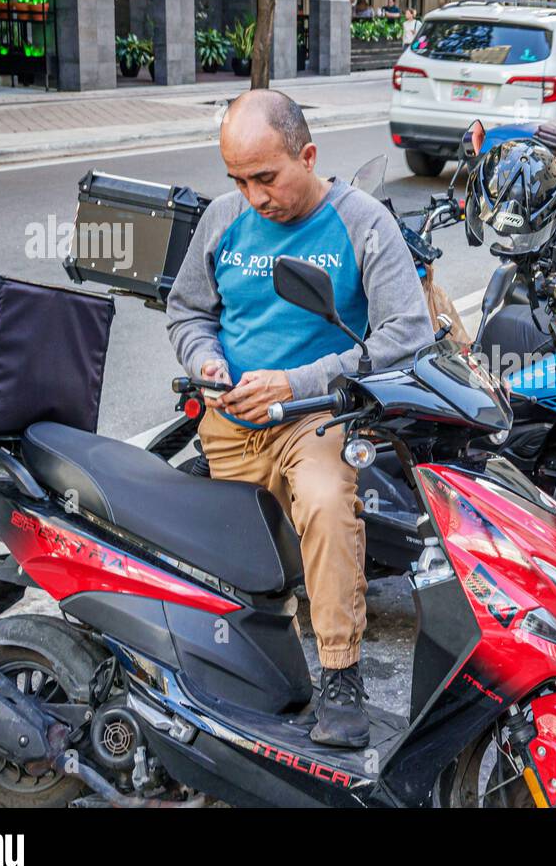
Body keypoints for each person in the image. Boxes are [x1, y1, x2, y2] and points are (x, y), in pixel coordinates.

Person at [166, 90, 433, 747]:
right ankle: (243, 674)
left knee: (322, 501)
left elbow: (409, 333)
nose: (254, 197)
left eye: (266, 177)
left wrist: (297, 382)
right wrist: (209, 367)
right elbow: (187, 311)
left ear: (307, 156)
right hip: (230, 423)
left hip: (313, 419)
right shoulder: (225, 218)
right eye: (238, 179)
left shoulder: (363, 223)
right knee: (230, 557)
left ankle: (342, 680)